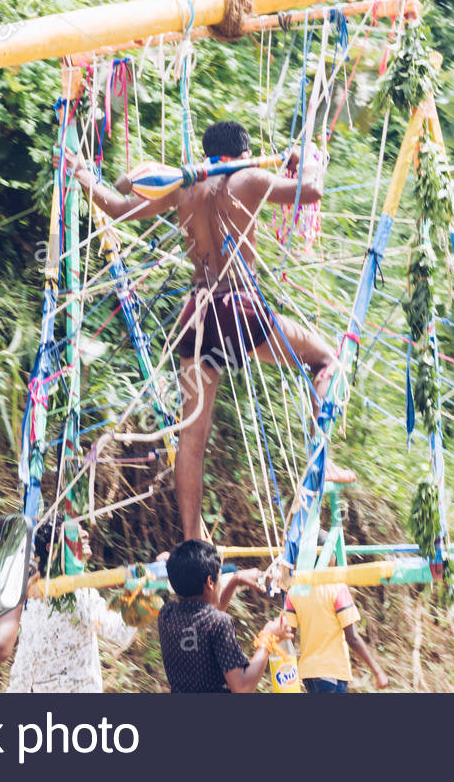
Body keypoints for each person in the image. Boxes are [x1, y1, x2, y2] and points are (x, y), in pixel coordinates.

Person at [69, 121, 354, 542]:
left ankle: (190, 542)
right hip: (239, 306)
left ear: (208, 153)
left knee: (192, 439)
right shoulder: (249, 177)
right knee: (327, 359)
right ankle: (322, 458)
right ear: (244, 151)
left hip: (197, 315)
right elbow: (311, 190)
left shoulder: (184, 187)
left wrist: (84, 175)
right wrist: (309, 159)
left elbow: (115, 206)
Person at [0, 517, 137, 693]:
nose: (85, 534)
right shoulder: (77, 594)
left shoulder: (32, 597)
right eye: (74, 532)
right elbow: (120, 632)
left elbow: (23, 668)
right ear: (52, 548)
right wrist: (139, 594)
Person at [157, 538, 289, 693]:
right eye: (219, 576)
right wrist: (267, 639)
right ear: (210, 582)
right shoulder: (218, 622)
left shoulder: (166, 614)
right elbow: (242, 687)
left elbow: (207, 614)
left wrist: (235, 580)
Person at [282, 534, 389, 693]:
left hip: (308, 675)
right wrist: (377, 671)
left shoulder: (295, 590)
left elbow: (288, 636)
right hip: (332, 673)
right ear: (329, 556)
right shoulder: (337, 588)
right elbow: (352, 638)